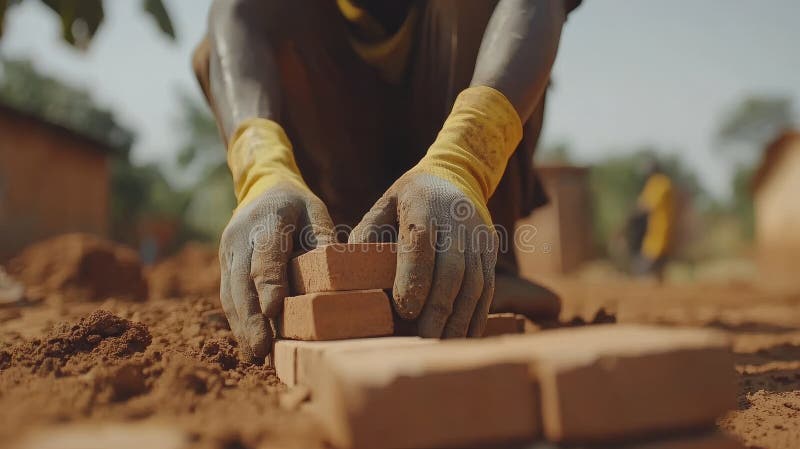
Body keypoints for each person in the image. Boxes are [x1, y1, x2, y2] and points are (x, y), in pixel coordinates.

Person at [193, 0, 581, 361]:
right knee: (221, 43)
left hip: (462, 203)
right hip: (343, 220)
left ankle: (480, 266)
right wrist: (262, 173)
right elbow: (235, 12)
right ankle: (334, 274)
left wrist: (462, 163)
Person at [630, 160, 675, 281]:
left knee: (648, 259)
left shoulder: (658, 183)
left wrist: (631, 215)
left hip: (659, 229)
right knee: (659, 263)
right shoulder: (662, 182)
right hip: (661, 228)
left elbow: (646, 205)